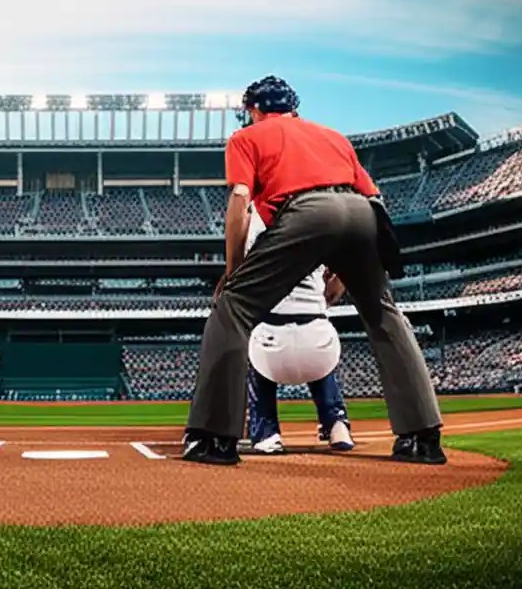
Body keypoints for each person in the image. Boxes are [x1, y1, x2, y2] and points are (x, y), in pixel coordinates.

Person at [182, 74, 443, 466]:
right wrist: (342, 274)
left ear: (253, 110)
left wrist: (233, 271)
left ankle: (213, 438)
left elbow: (240, 201)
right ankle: (422, 436)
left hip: (304, 212)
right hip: (362, 213)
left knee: (231, 310)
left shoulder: (246, 138)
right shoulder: (333, 137)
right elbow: (374, 197)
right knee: (383, 313)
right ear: (294, 108)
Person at [241, 207, 354, 454]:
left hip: (271, 350)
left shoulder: (255, 221)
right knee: (318, 337)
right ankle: (336, 425)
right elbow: (335, 291)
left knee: (254, 340)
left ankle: (266, 434)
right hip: (318, 348)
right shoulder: (321, 220)